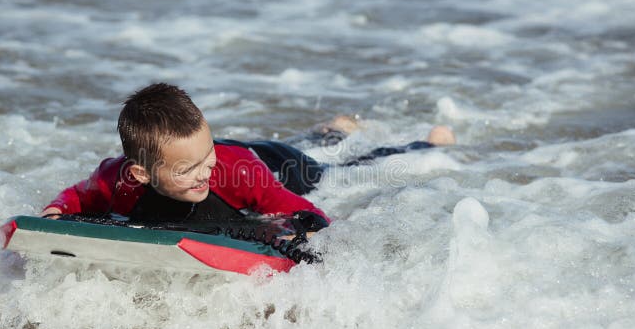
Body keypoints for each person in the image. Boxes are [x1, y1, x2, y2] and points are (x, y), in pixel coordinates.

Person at [41, 83, 455, 232]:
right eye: (188, 170)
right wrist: (56, 211)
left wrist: (304, 231)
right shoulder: (118, 178)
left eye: (206, 159)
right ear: (140, 173)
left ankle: (426, 143)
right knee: (314, 142)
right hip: (223, 149)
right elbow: (79, 198)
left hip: (274, 166)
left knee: (335, 168)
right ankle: (336, 127)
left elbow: (305, 210)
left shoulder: (228, 168)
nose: (205, 173)